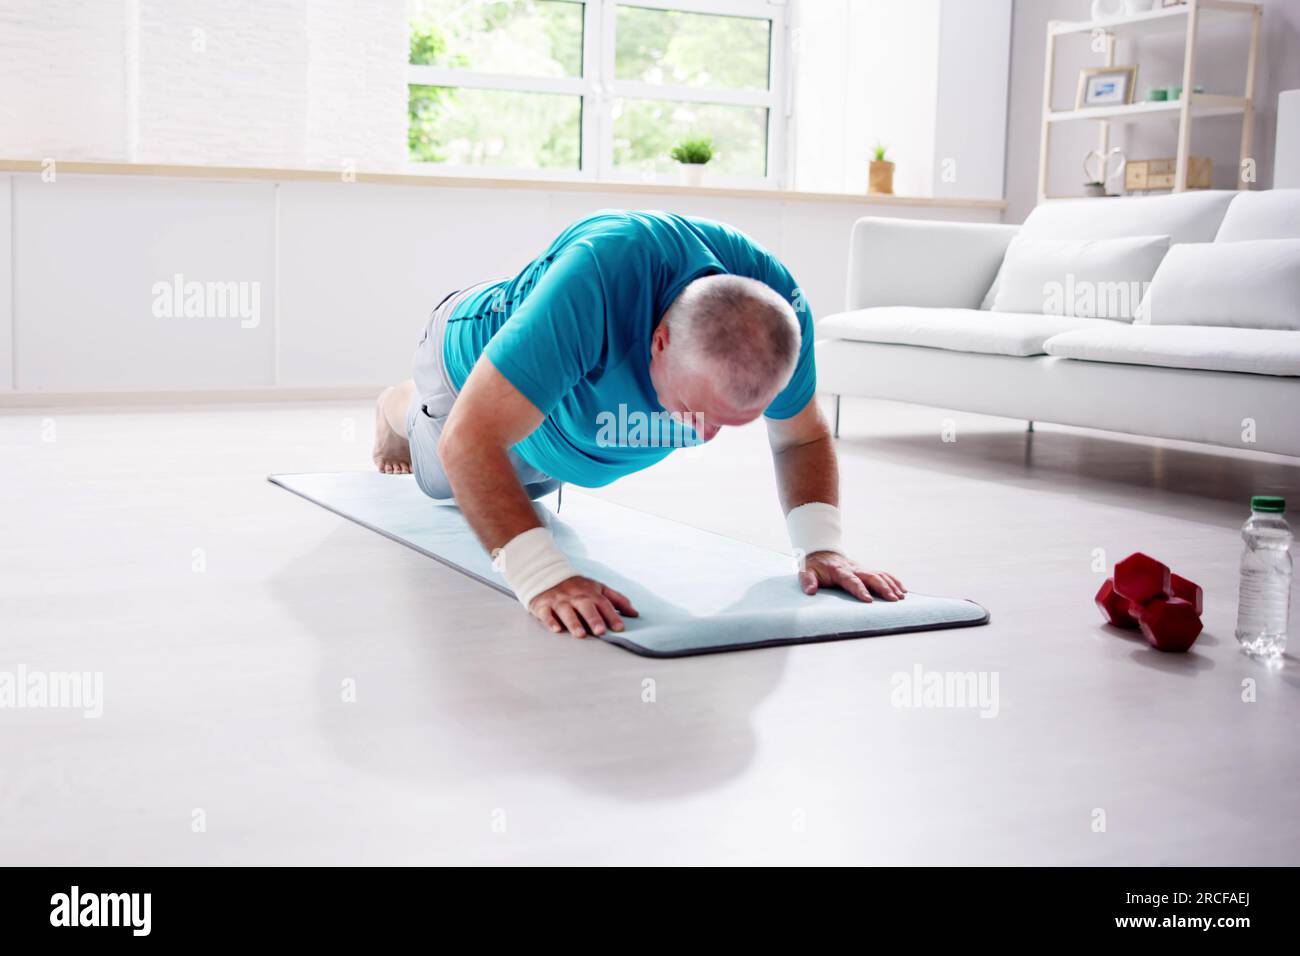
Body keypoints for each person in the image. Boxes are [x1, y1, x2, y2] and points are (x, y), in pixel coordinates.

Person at [373, 210, 905, 638]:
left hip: (563, 429)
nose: (703, 436)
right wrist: (544, 579)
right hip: (466, 373)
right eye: (696, 413)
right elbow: (470, 441)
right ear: (659, 341)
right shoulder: (597, 279)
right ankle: (397, 406)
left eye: (728, 424)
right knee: (445, 480)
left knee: (527, 489)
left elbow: (801, 435)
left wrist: (820, 544)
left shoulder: (775, 321)